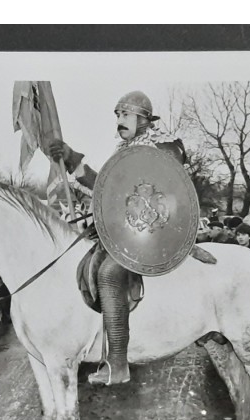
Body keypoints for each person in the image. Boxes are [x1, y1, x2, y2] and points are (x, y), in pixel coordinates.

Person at [48, 90, 188, 385]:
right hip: (127, 232)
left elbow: (163, 186)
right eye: (118, 116)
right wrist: (71, 158)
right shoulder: (125, 150)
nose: (120, 121)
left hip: (152, 233)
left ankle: (118, 364)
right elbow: (105, 186)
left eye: (126, 115)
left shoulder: (160, 147)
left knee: (110, 273)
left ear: (144, 119)